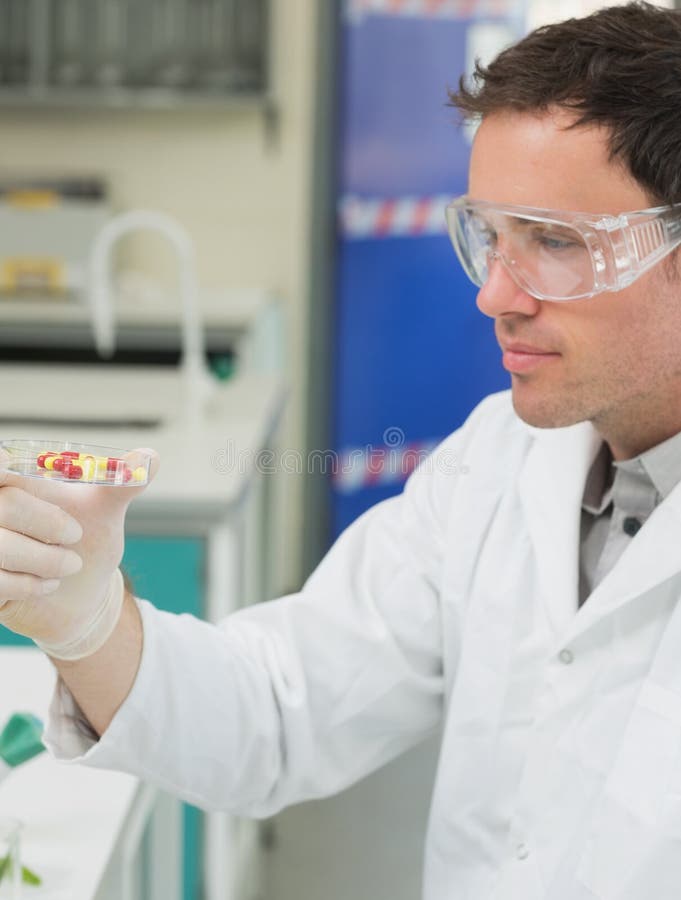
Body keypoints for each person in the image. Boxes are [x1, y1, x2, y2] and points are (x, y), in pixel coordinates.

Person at [1, 2, 681, 897]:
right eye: (491, 240)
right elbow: (280, 709)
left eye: (555, 243)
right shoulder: (496, 462)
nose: (495, 298)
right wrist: (85, 619)